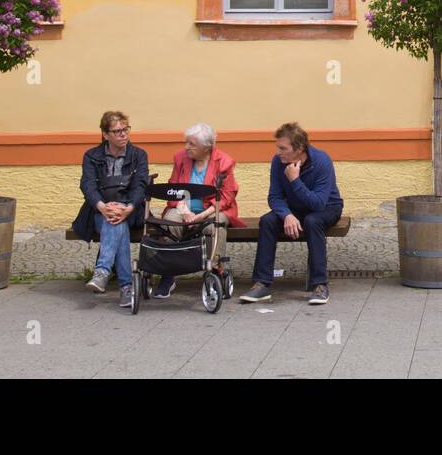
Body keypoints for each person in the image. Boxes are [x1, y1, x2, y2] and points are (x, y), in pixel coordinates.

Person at [240, 122, 343, 306]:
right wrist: (286, 214)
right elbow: (274, 197)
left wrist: (295, 180)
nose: (279, 152)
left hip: (327, 207)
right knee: (268, 221)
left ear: (299, 148)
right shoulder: (278, 162)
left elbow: (318, 203)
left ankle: (320, 285)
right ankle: (261, 284)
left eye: (283, 148)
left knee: (312, 221)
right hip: (294, 208)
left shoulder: (321, 161)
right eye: (278, 147)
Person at [152, 122, 244, 299]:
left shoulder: (223, 162)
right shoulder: (181, 158)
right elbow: (174, 187)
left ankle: (215, 270)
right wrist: (183, 208)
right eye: (186, 142)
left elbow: (227, 196)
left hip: (212, 210)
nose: (186, 147)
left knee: (215, 226)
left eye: (192, 144)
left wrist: (200, 215)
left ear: (207, 147)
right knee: (170, 222)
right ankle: (169, 273)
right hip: (184, 208)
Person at [71, 111, 149, 308]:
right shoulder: (91, 156)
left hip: (132, 212)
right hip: (99, 212)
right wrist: (103, 207)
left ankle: (102, 272)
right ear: (105, 135)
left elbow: (141, 186)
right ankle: (126, 288)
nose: (123, 134)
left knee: (117, 221)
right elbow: (87, 185)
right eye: (117, 131)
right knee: (115, 223)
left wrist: (128, 208)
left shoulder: (139, 155)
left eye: (125, 130)